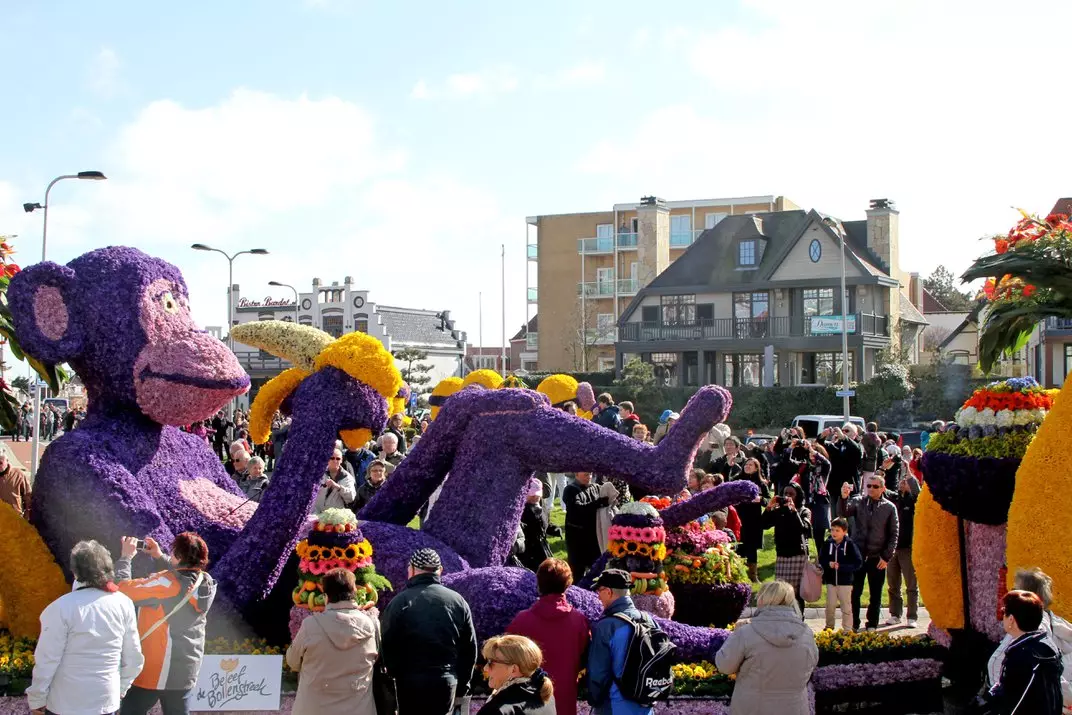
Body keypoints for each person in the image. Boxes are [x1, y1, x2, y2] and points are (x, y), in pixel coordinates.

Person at [27, 540, 144, 715]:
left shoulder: (59, 608)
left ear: (75, 572)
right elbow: (134, 659)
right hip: (106, 701)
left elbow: (47, 660)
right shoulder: (123, 603)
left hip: (65, 703)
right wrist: (119, 689)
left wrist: (37, 698)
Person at [116, 532, 215, 715]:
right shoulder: (206, 583)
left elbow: (121, 590)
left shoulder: (165, 583)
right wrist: (159, 556)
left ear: (177, 556)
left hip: (155, 670)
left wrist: (125, 557)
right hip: (185, 671)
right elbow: (183, 579)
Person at [380, 548, 478, 715]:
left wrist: (395, 675)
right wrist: (463, 684)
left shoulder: (399, 602)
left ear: (411, 570)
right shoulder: (457, 601)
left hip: (409, 682)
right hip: (446, 681)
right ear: (440, 570)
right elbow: (469, 649)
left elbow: (386, 647)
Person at [714, 581, 818, 715]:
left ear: (762, 599)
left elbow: (724, 665)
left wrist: (734, 636)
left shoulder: (746, 633)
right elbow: (812, 663)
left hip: (752, 708)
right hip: (795, 708)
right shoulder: (806, 634)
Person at [286, 568, 378, 715]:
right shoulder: (371, 625)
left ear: (326, 596)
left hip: (315, 709)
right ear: (354, 593)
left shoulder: (310, 625)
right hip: (358, 709)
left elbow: (292, 661)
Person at [508, 559, 590, 715]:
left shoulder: (522, 620)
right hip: (565, 699)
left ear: (539, 584)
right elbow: (585, 657)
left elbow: (506, 657)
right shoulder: (579, 621)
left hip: (529, 700)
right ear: (568, 584)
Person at [987, 569, 1072, 709]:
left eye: (1014, 589)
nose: (1010, 591)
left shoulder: (1031, 626)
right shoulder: (1037, 621)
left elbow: (1048, 669)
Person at [977, 590, 1064, 715]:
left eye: (1004, 612)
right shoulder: (1046, 643)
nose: (1002, 617)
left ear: (1011, 619)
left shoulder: (1021, 655)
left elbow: (1013, 701)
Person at [587, 569, 656, 715]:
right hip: (646, 706)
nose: (598, 596)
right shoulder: (648, 620)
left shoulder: (606, 626)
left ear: (608, 592)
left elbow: (598, 673)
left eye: (599, 591)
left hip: (614, 706)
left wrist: (594, 700)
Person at [838, 476, 899, 631]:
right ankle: (854, 623)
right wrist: (844, 497)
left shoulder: (890, 507)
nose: (871, 489)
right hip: (858, 556)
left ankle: (872, 624)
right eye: (869, 486)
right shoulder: (859, 501)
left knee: (876, 594)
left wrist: (886, 557)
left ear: (883, 489)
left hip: (877, 557)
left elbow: (894, 534)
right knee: (855, 592)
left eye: (875, 486)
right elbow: (843, 512)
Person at [762, 485, 812, 616]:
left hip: (798, 556)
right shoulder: (779, 510)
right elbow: (763, 524)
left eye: (792, 494)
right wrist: (769, 507)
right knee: (781, 591)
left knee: (796, 593)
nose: (788, 496)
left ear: (798, 496)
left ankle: (799, 618)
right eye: (785, 493)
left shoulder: (803, 511)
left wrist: (794, 511)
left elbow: (804, 529)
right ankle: (783, 617)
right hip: (782, 555)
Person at [477, 636, 556, 715]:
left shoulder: (496, 710)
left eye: (491, 662)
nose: (485, 668)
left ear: (513, 669)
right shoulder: (545, 696)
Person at [885, 469, 920, 627]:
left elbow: (918, 494)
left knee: (911, 584)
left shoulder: (913, 501)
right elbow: (880, 487)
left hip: (907, 548)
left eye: (905, 481)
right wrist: (883, 468)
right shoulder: (894, 499)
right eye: (901, 480)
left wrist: (911, 479)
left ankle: (912, 616)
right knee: (893, 584)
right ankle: (895, 614)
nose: (902, 482)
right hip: (892, 548)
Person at [562, 472, 611, 582]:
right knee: (577, 569)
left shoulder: (595, 487)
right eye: (585, 475)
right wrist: (599, 503)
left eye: (590, 474)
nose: (588, 477)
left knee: (597, 566)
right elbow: (577, 509)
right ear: (577, 474)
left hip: (593, 535)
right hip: (577, 537)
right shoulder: (570, 490)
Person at [819, 517, 862, 631]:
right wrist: (828, 564)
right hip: (831, 582)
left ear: (845, 532)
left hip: (845, 582)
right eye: (832, 530)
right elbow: (821, 559)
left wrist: (842, 567)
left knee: (846, 607)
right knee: (830, 607)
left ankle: (847, 630)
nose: (834, 533)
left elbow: (858, 562)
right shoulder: (828, 543)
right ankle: (829, 627)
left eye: (837, 530)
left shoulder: (850, 544)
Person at [736, 458, 770, 582]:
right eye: (746, 464)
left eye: (751, 465)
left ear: (757, 468)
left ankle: (753, 574)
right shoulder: (737, 480)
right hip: (739, 517)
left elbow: (768, 500)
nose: (747, 466)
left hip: (753, 519)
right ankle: (737, 573)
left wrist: (760, 499)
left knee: (752, 546)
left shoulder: (761, 483)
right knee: (739, 544)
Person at [518, 480, 553, 573]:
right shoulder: (521, 510)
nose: (535, 497)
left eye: (537, 494)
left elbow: (544, 523)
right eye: (532, 495)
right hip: (528, 550)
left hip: (542, 546)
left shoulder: (541, 505)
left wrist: (552, 528)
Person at [0, 448, 32, 518]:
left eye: (0, 463)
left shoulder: (18, 475)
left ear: (7, 461)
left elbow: (28, 496)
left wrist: (27, 512)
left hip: (15, 517)